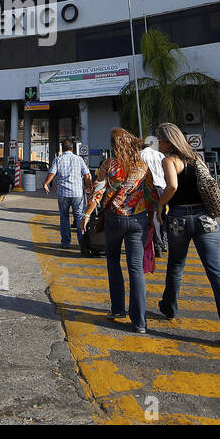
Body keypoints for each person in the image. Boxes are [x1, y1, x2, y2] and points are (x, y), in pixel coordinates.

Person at [154, 122, 220, 351]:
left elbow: (172, 187)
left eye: (160, 140)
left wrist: (159, 206)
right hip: (205, 219)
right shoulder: (196, 158)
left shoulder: (169, 161)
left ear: (169, 141)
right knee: (216, 275)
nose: (158, 144)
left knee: (176, 264)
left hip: (178, 219)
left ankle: (169, 307)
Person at [82, 127, 154, 333]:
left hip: (114, 220)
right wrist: (152, 218)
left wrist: (87, 215)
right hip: (137, 221)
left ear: (114, 146)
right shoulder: (141, 165)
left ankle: (117, 309)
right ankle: (140, 322)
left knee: (113, 261)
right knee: (135, 269)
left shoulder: (108, 165)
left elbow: (98, 191)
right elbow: (150, 195)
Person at [44, 139, 92, 248]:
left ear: (62, 148)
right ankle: (82, 242)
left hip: (63, 193)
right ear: (72, 148)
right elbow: (86, 175)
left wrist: (46, 184)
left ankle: (66, 243)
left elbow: (52, 172)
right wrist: (88, 187)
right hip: (77, 193)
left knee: (64, 217)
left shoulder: (58, 159)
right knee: (79, 217)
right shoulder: (79, 159)